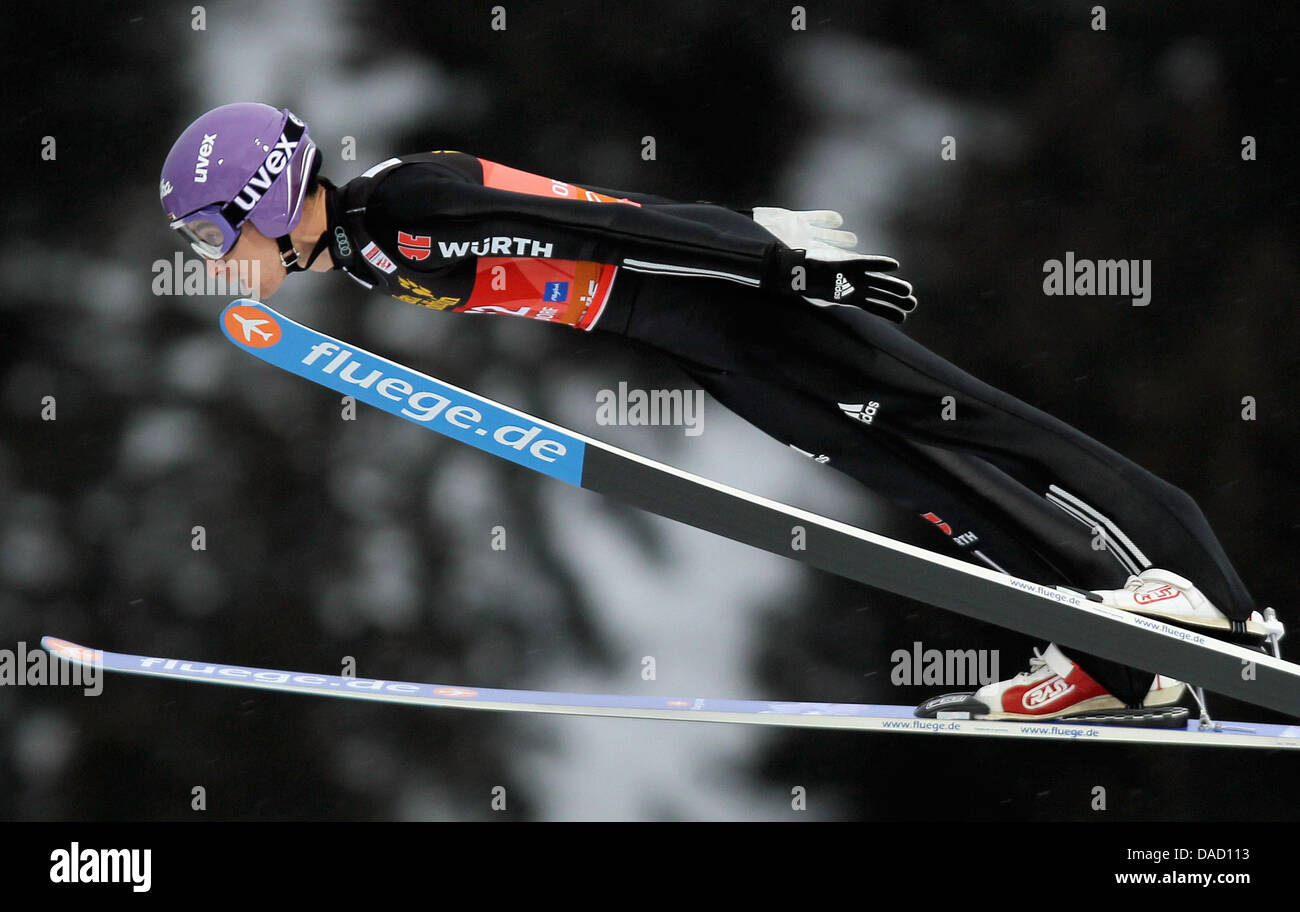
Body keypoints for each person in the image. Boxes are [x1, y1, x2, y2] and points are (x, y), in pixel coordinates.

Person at [160, 103, 1277, 725]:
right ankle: (1115, 650)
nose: (218, 260)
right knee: (916, 483)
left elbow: (630, 223)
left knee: (974, 425)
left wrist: (782, 266)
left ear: (263, 198)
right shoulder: (361, 252)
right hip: (688, 339)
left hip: (730, 298)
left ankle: (1207, 604)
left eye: (215, 235)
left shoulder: (407, 207)